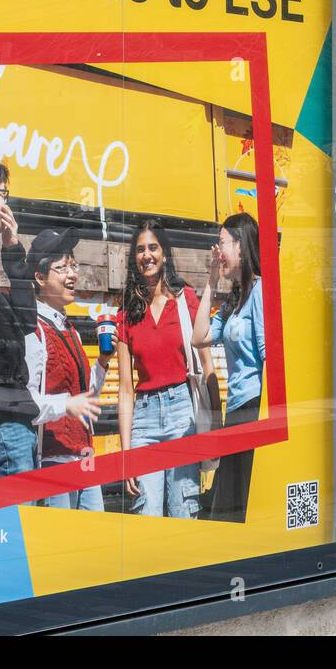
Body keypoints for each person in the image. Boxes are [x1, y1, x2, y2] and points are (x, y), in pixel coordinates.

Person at [0, 155, 80, 481]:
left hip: (3, 415)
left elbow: (24, 323)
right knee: (14, 517)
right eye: (3, 194)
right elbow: (6, 337)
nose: (7, 202)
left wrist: (11, 249)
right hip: (1, 418)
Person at [116, 220, 215, 518]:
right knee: (147, 513)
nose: (147, 255)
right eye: (140, 250)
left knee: (183, 510)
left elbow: (207, 364)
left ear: (165, 254)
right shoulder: (126, 311)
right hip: (143, 422)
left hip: (182, 412)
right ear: (134, 259)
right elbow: (124, 389)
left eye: (153, 248)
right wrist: (125, 453)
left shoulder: (186, 300)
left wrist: (214, 426)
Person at [23, 228, 108, 511]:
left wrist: (103, 362)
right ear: (39, 277)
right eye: (62, 268)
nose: (72, 274)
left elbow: (82, 395)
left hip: (84, 456)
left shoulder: (68, 328)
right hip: (52, 459)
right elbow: (27, 402)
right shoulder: (34, 330)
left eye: (73, 265)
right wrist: (66, 404)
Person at [191, 212, 265, 523]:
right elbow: (199, 337)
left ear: (240, 246)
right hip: (236, 409)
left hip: (252, 406)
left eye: (222, 243)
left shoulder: (260, 292)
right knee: (229, 499)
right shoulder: (235, 299)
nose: (218, 250)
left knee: (235, 500)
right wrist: (210, 280)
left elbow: (268, 355)